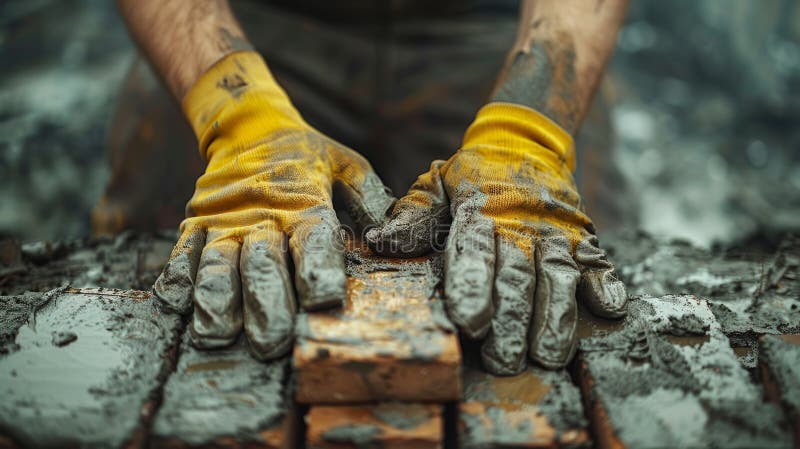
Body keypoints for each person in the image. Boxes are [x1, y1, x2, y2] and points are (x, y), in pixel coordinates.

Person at [100, 0, 630, 375]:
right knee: (154, 272)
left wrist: (527, 137)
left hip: (491, 29)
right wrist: (239, 117)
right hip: (243, 24)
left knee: (572, 273)